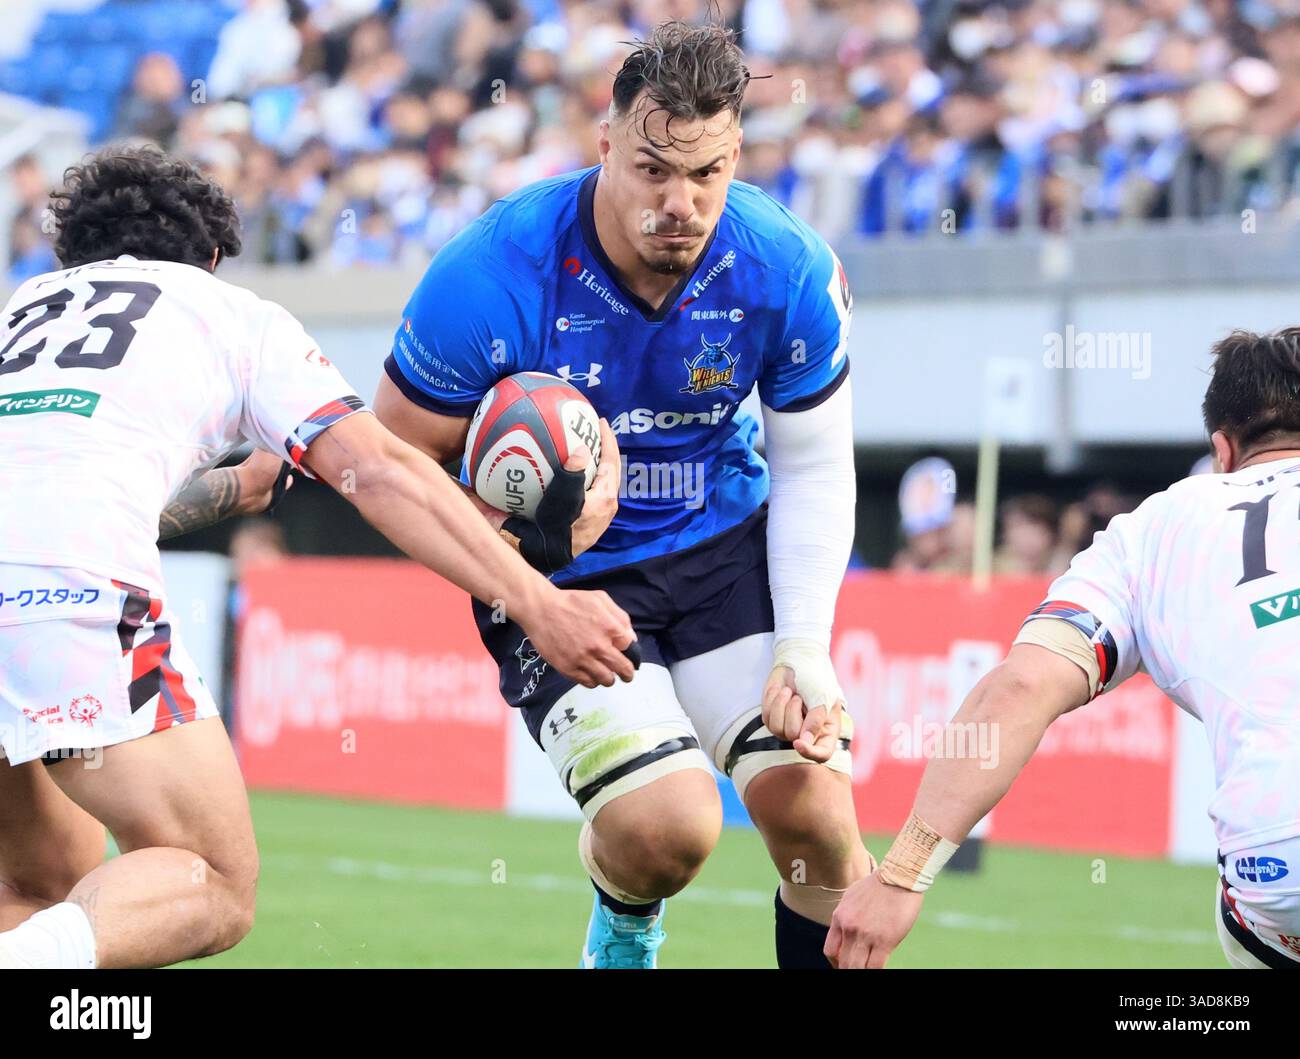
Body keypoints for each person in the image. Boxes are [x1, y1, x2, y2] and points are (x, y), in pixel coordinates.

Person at [0, 145, 638, 969]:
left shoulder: (23, 310)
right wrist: (537, 601)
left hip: (36, 575)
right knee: (212, 879)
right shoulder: (229, 313)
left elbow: (44, 497)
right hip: (68, 596)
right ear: (213, 256)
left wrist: (236, 490)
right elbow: (375, 467)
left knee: (39, 880)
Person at [375, 20, 868, 969]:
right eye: (650, 169)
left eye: (706, 174)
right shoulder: (492, 274)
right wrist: (518, 577)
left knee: (823, 832)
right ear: (603, 144)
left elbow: (813, 462)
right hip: (560, 574)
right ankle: (626, 920)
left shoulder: (788, 266)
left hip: (725, 550)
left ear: (737, 157)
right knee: (667, 832)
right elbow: (389, 464)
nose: (677, 203)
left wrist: (807, 645)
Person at [826, 328, 1300, 970]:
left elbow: (1020, 688)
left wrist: (899, 876)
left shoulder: (1158, 528)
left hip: (1280, 859)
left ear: (1222, 451)